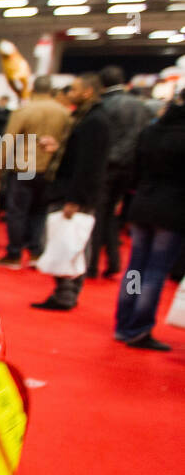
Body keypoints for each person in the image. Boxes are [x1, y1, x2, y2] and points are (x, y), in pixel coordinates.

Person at [32, 73, 111, 311]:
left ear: (87, 91)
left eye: (74, 89)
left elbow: (89, 164)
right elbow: (80, 155)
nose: (69, 93)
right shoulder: (87, 118)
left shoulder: (94, 121)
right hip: (73, 190)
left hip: (74, 193)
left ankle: (66, 294)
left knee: (69, 243)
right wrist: (58, 149)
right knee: (66, 241)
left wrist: (74, 199)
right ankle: (64, 293)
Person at [114, 90, 185, 350]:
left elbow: (134, 169)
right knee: (154, 272)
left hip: (141, 204)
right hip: (172, 209)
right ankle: (138, 327)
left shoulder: (151, 131)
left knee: (135, 267)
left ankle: (124, 323)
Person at [0, 75, 72, 268]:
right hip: (49, 169)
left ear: (33, 89)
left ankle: (14, 253)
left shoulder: (24, 111)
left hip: (23, 167)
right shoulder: (64, 113)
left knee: (17, 212)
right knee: (39, 211)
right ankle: (36, 253)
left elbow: (8, 143)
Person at [89, 66, 151, 279]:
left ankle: (91, 264)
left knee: (96, 215)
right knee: (112, 216)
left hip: (105, 167)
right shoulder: (140, 106)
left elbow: (98, 140)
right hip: (129, 169)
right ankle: (114, 261)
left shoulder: (104, 106)